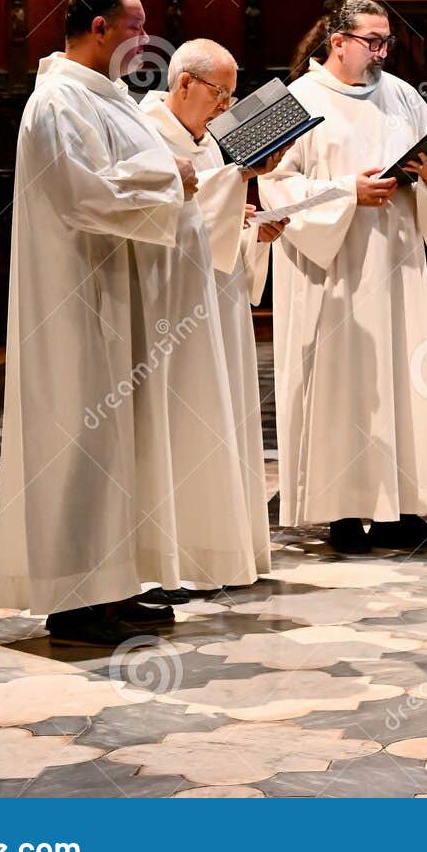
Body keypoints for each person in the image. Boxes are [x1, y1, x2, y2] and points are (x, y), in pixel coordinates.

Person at [0, 0, 196, 647]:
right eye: (137, 28)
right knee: (82, 439)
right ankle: (75, 601)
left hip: (119, 287)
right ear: (102, 29)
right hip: (76, 298)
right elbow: (82, 195)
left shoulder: (110, 99)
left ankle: (116, 582)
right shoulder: (55, 103)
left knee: (123, 440)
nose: (146, 42)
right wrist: (172, 178)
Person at [259, 0, 427, 554]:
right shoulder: (291, 101)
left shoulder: (403, 96)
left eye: (386, 41)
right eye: (372, 41)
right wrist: (348, 192)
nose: (381, 52)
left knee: (398, 380)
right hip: (331, 269)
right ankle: (341, 512)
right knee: (342, 384)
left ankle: (401, 511)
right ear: (336, 42)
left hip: (394, 264)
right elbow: (271, 188)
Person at [140, 39, 290, 592]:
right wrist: (238, 184)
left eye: (232, 94)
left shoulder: (205, 144)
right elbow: (160, 217)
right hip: (174, 309)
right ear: (185, 84)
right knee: (187, 416)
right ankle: (179, 556)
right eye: (220, 93)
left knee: (222, 413)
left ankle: (219, 547)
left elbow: (210, 218)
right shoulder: (146, 135)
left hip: (218, 303)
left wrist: (252, 224)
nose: (227, 106)